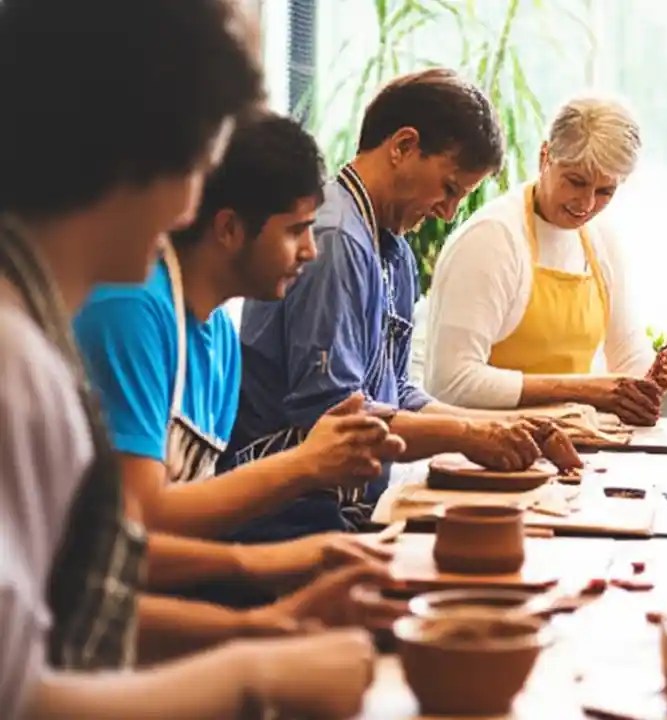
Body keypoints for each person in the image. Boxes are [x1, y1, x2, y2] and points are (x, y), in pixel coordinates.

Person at [0, 0, 373, 717]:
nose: (190, 208)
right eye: (200, 162)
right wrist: (251, 669)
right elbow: (23, 693)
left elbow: (79, 596)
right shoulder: (23, 363)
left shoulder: (41, 328)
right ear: (135, 155)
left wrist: (260, 629)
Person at [74, 112, 404, 652]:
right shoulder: (133, 310)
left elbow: (199, 511)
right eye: (296, 230)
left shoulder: (221, 341)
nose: (311, 251)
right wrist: (302, 469)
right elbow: (135, 529)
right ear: (228, 229)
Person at [228, 68, 579, 543]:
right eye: (450, 188)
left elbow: (398, 396)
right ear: (402, 147)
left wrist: (504, 427)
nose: (448, 211)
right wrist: (469, 437)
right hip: (286, 509)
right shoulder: (335, 240)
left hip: (353, 500)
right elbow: (336, 420)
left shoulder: (392, 248)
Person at [421, 96, 667, 424]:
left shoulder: (601, 239)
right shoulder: (491, 239)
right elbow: (450, 383)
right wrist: (586, 391)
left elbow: (628, 356)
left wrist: (658, 377)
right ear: (545, 157)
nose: (587, 204)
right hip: (483, 453)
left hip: (569, 444)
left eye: (606, 191)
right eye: (576, 182)